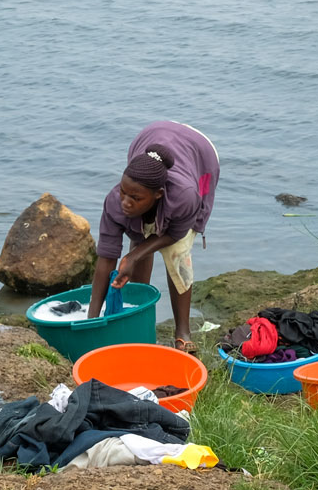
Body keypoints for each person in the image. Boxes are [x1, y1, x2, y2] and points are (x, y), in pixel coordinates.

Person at [89, 121, 220, 352]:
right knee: (139, 237)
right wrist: (91, 321)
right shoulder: (115, 202)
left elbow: (176, 234)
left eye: (136, 198)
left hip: (199, 151)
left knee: (177, 252)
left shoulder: (184, 197)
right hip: (150, 137)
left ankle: (182, 332)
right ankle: (139, 312)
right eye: (123, 192)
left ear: (158, 194)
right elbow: (106, 257)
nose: (126, 203)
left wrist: (133, 257)